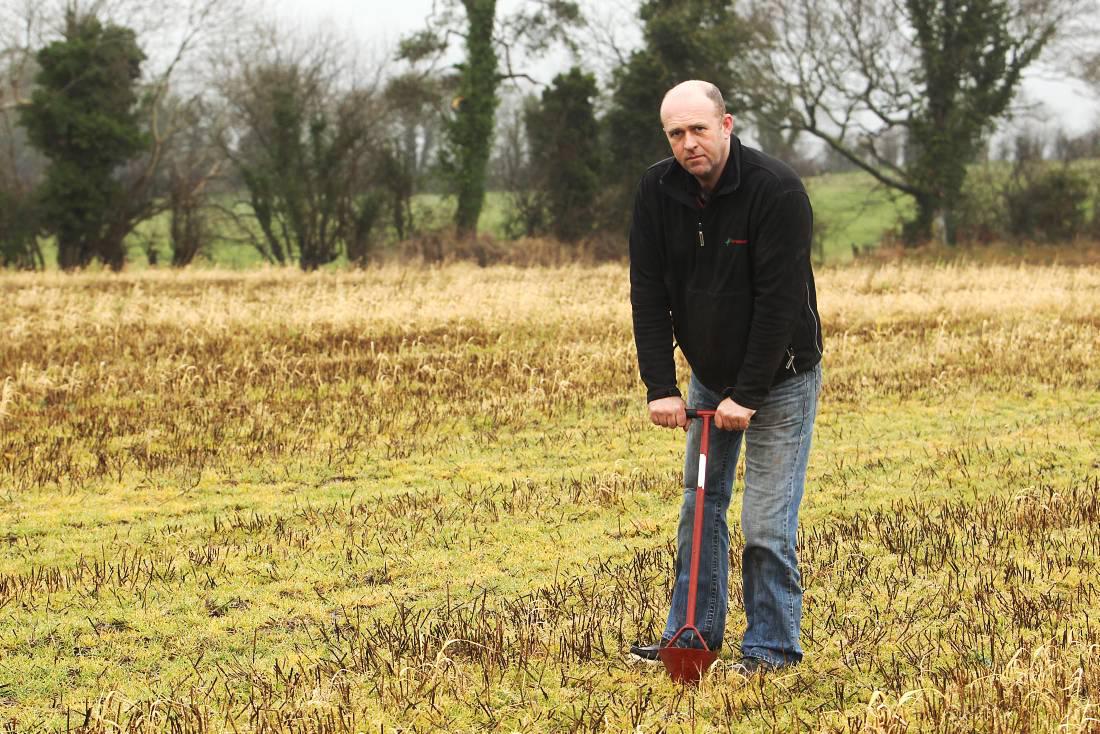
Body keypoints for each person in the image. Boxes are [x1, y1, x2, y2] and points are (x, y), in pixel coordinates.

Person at [628, 80, 823, 673]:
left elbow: (779, 303)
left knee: (765, 521)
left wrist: (749, 394)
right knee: (701, 508)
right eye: (676, 134)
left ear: (727, 125)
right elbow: (648, 292)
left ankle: (771, 649)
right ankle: (691, 638)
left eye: (699, 130)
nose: (689, 144)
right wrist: (661, 385)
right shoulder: (657, 191)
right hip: (709, 376)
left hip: (780, 379)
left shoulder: (776, 191)